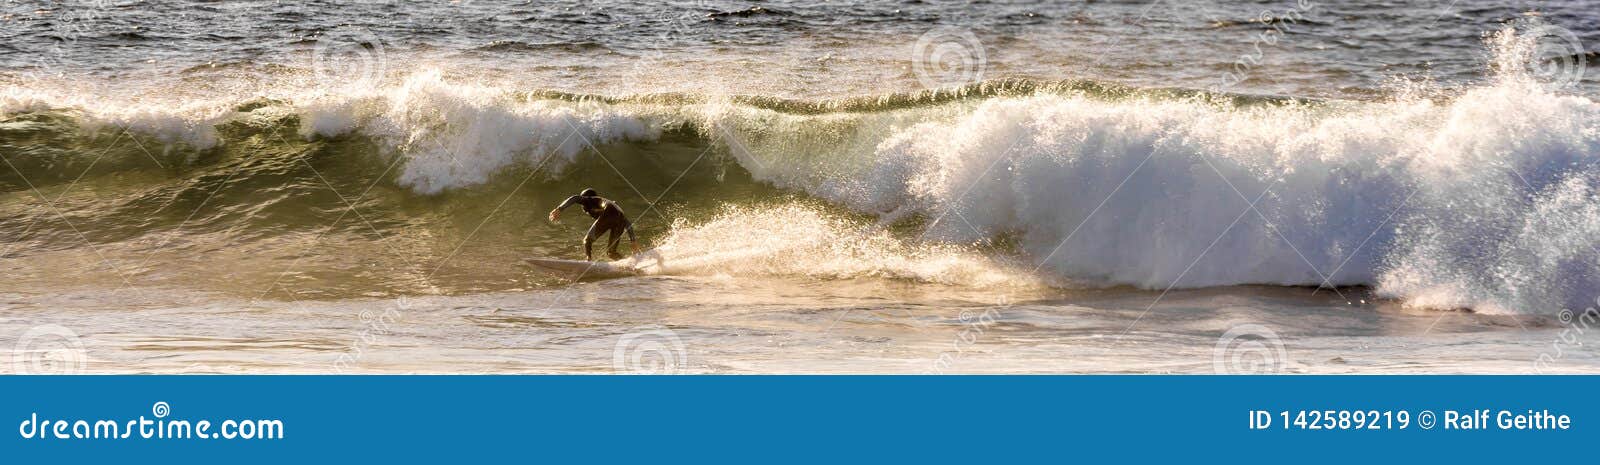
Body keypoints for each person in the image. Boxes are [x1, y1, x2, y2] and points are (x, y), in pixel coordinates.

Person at [548, 188, 639, 261]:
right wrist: (633, 240)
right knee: (611, 253)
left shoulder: (590, 200)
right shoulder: (602, 203)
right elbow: (626, 223)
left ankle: (589, 260)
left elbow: (575, 198)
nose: (582, 207)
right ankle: (629, 264)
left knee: (587, 241)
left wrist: (559, 209)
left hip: (611, 212)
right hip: (620, 219)